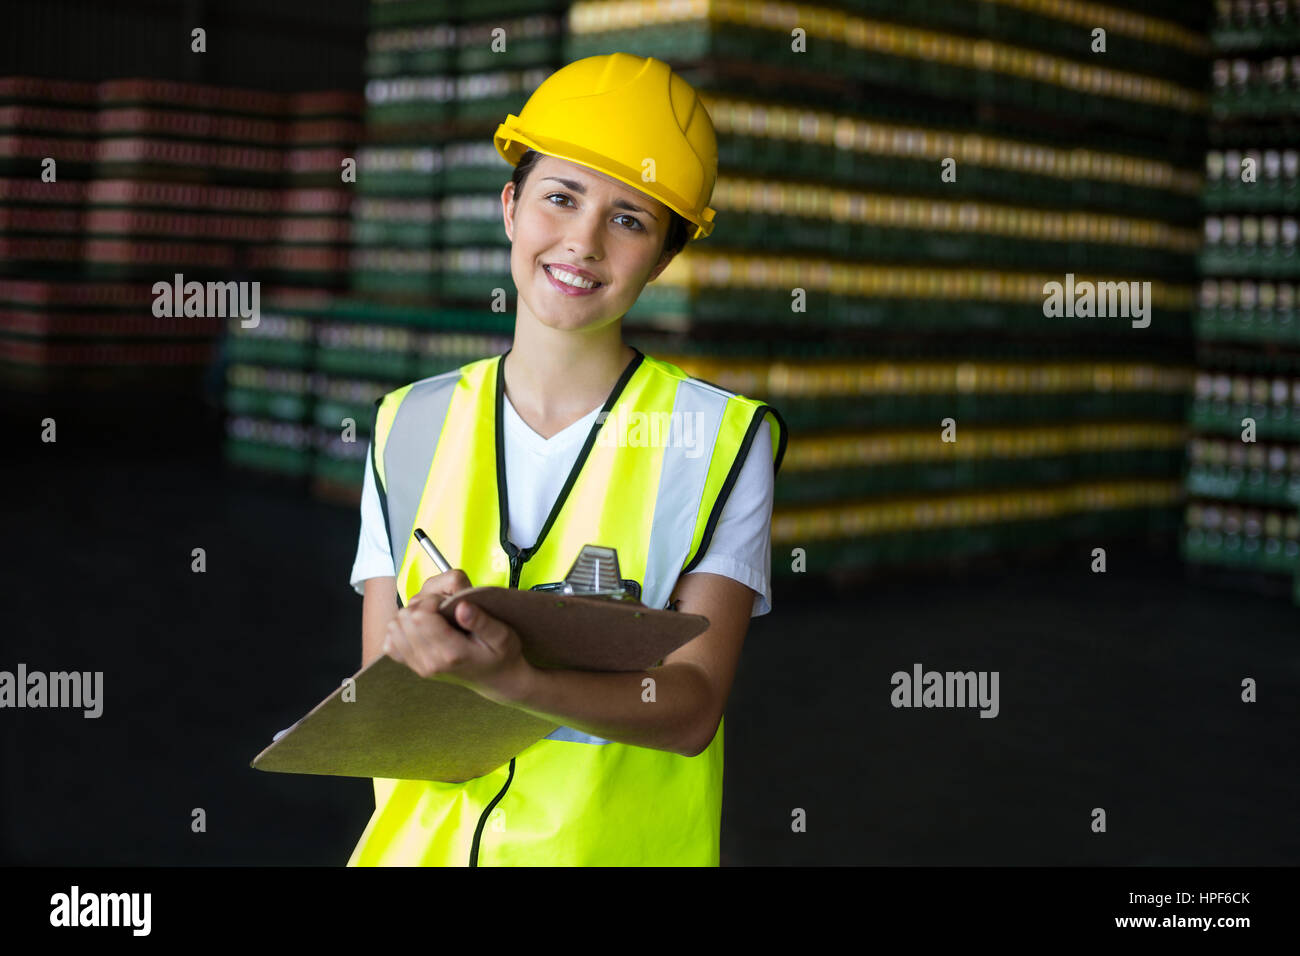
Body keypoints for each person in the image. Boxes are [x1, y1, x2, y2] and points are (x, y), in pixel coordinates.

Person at [346, 52, 787, 866]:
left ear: (662, 257)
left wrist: (518, 682)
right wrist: (414, 644)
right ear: (511, 208)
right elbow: (378, 693)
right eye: (561, 197)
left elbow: (690, 710)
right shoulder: (408, 422)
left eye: (629, 219)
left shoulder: (719, 440)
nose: (581, 243)